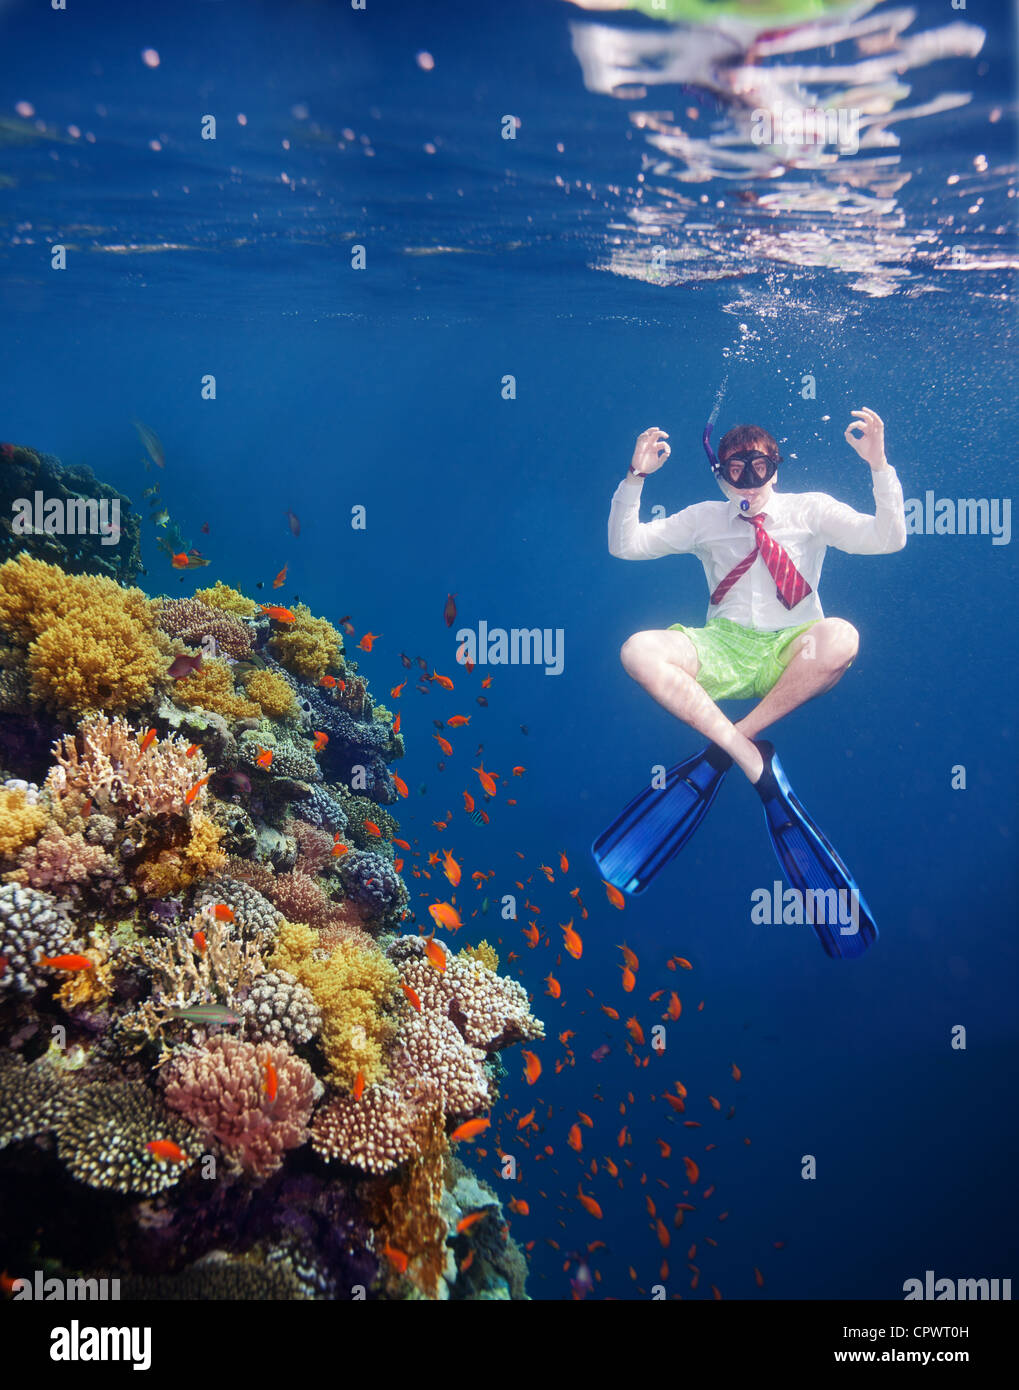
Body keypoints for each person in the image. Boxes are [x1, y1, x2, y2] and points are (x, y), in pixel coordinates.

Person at [593, 407, 906, 957]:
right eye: (736, 470)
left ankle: (728, 748)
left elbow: (888, 539)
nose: (749, 482)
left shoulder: (811, 509)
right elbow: (625, 545)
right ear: (720, 475)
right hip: (724, 648)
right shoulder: (703, 518)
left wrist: (879, 466)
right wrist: (634, 478)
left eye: (759, 468)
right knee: (637, 650)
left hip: (796, 647)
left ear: (776, 468)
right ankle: (749, 757)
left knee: (844, 637)